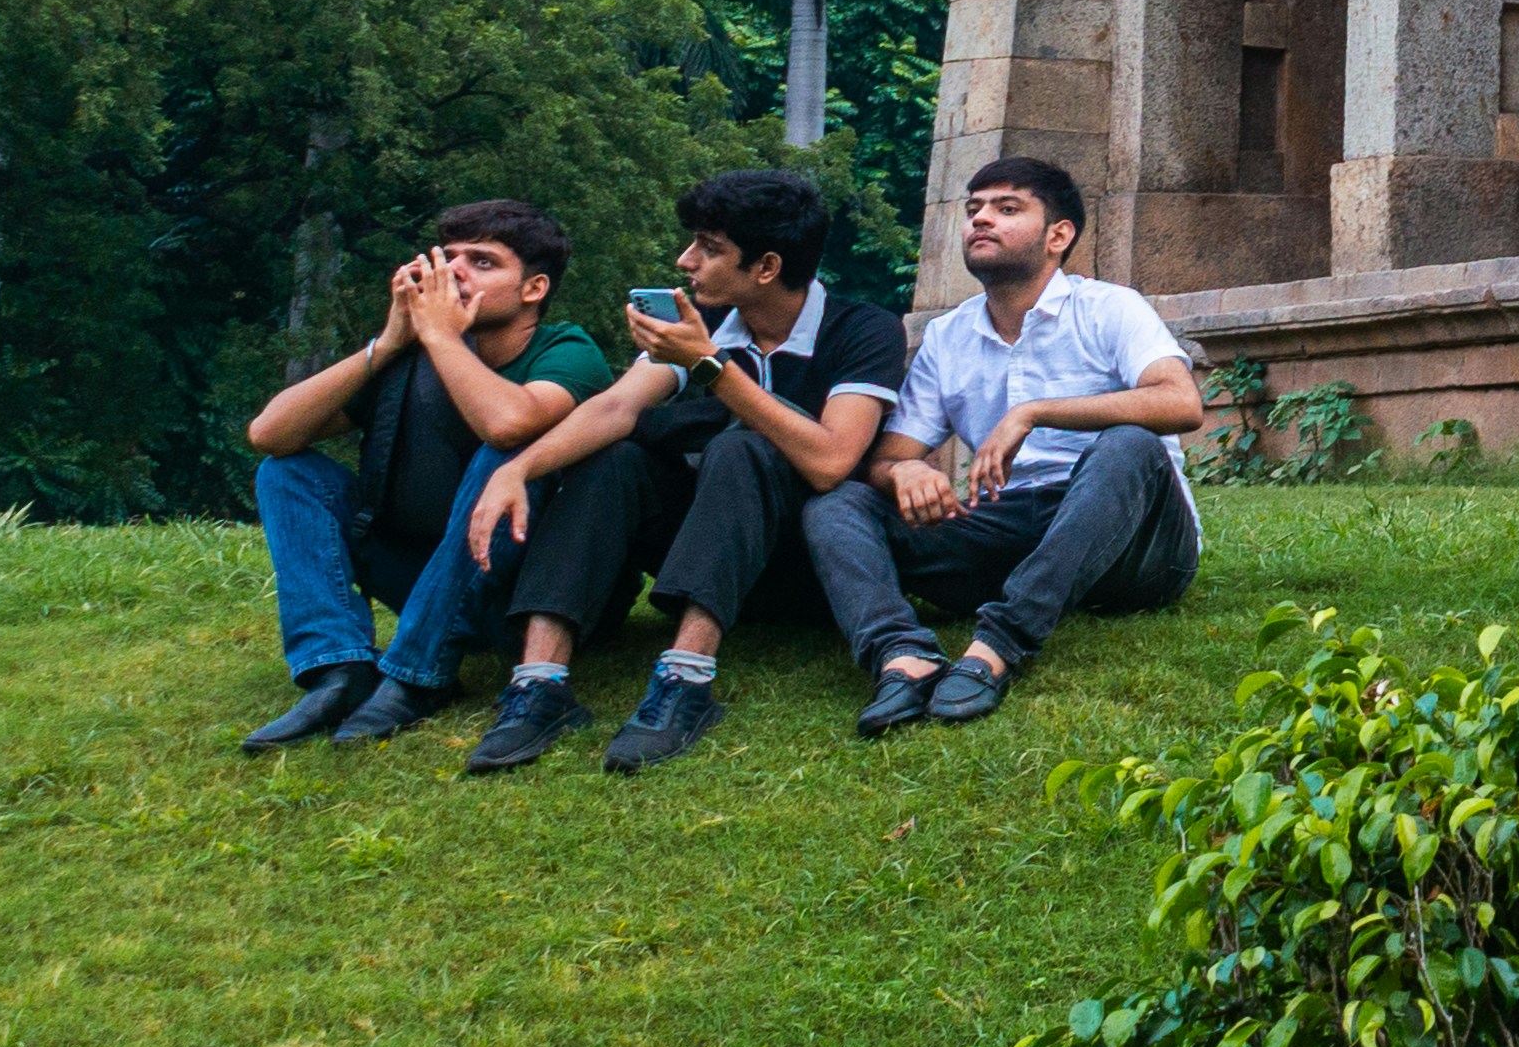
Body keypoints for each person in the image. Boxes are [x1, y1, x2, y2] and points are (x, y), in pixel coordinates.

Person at [438, 162, 911, 774]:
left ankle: (685, 679)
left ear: (766, 267)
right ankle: (540, 682)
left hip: (806, 564)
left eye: (709, 249)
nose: (686, 261)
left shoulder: (862, 329)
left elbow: (830, 463)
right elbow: (615, 405)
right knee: (613, 455)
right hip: (708, 550)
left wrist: (712, 365)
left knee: (744, 447)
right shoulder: (706, 323)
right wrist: (519, 470)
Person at [811, 152, 1206, 733]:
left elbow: (1180, 402)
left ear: (1058, 235)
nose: (980, 221)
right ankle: (902, 658)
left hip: (1136, 547)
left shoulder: (1108, 307)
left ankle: (997, 645)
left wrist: (1035, 411)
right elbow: (889, 456)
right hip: (1008, 530)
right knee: (838, 501)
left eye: (1006, 208)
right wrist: (905, 473)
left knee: (1129, 444)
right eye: (973, 210)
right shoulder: (949, 335)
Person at [232, 201, 603, 751]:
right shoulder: (411, 357)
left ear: (534, 288)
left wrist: (443, 340)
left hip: (521, 595)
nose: (452, 272)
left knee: (509, 457)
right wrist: (389, 343)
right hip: (416, 570)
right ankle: (339, 668)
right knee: (288, 473)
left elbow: (507, 425)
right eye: (447, 257)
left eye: (482, 262)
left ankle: (418, 674)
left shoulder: (567, 351)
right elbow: (271, 434)